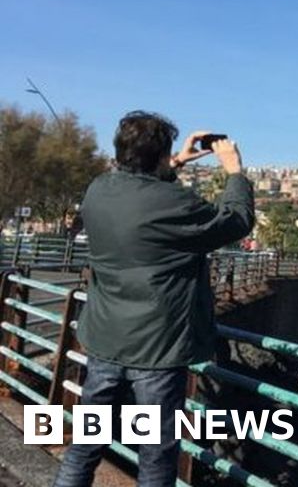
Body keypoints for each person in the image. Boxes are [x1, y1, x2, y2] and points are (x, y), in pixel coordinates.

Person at [52, 111, 255, 487]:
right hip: (158, 351)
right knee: (157, 458)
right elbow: (236, 221)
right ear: (159, 155)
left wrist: (174, 161)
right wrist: (235, 172)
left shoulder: (98, 189)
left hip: (105, 342)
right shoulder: (176, 203)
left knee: (83, 448)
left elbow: (139, 192)